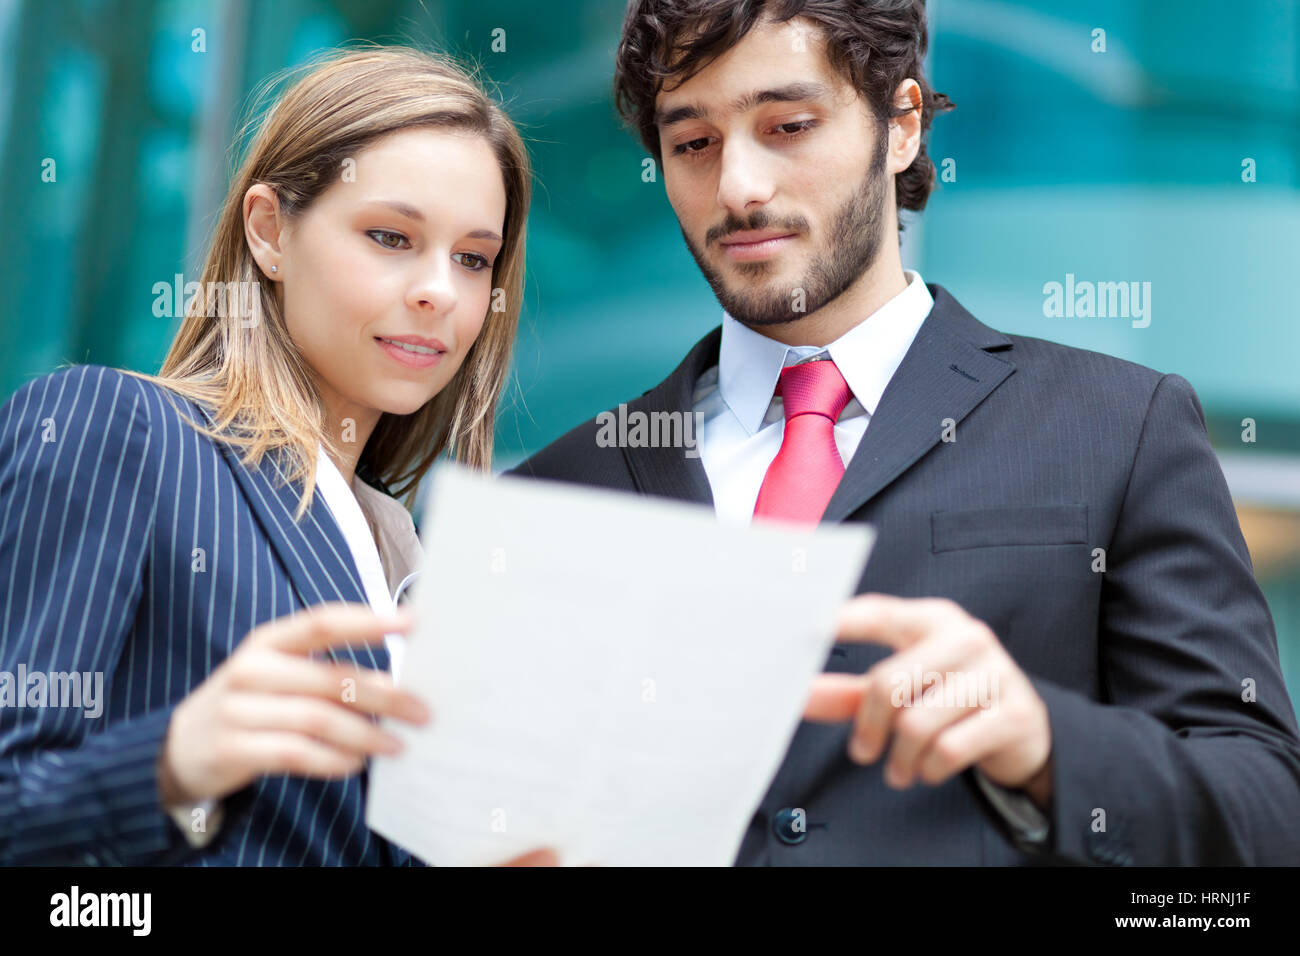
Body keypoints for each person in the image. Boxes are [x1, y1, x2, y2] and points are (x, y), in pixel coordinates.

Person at [509, 0, 1300, 864]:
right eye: (693, 142)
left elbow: (1266, 809)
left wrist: (1046, 746)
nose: (738, 186)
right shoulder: (555, 492)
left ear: (901, 126)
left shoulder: (1120, 426)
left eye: (788, 124)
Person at [0, 45, 551, 866]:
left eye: (474, 258)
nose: (442, 290)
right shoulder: (117, 428)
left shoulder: (409, 556)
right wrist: (173, 762)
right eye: (391, 236)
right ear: (269, 233)